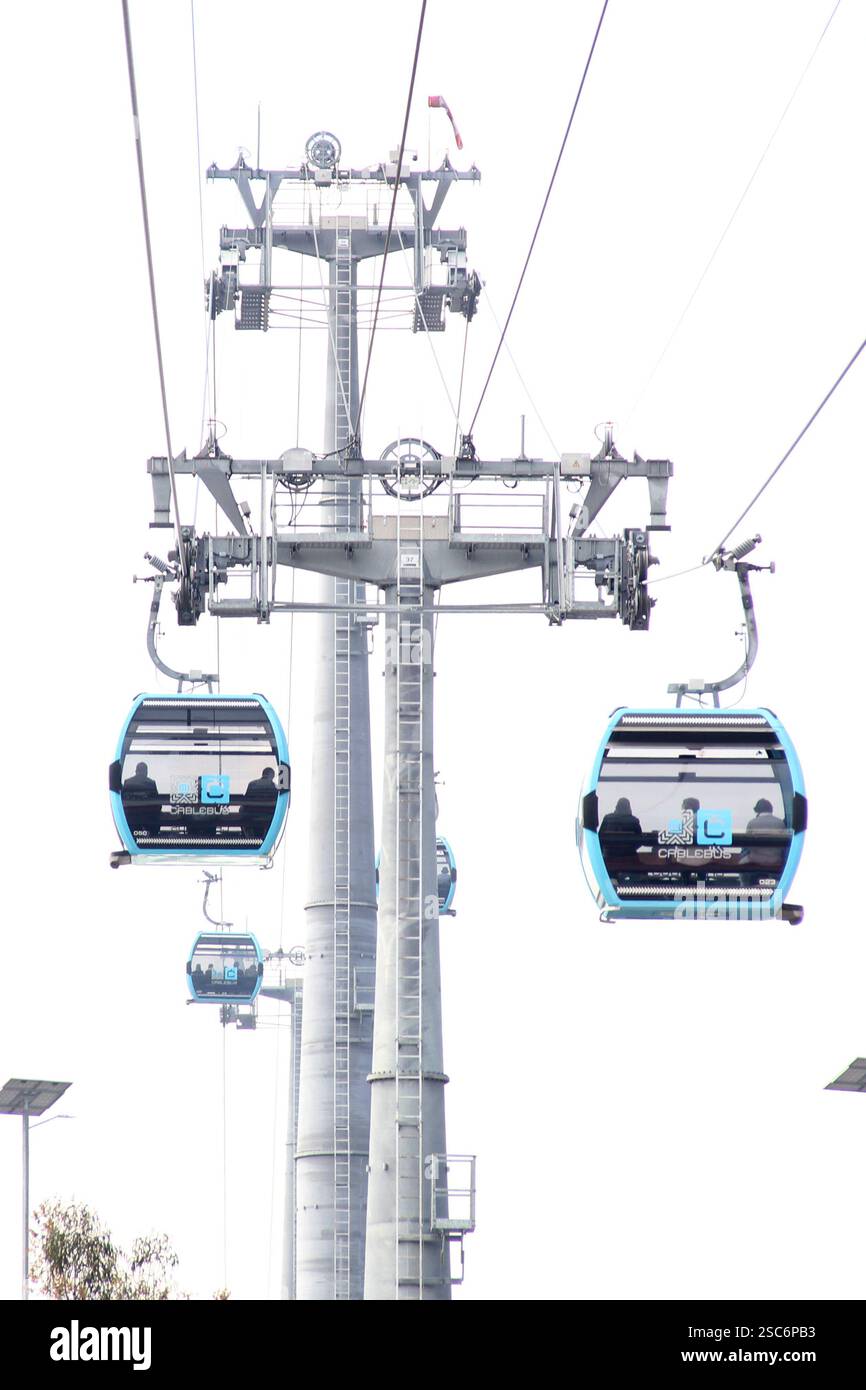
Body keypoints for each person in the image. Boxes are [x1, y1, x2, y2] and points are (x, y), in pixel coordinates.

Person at [741, 797, 787, 875]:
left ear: (757, 811)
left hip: (755, 860)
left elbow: (746, 845)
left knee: (741, 865)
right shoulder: (780, 823)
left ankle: (744, 885)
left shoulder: (752, 823)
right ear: (771, 809)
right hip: (776, 860)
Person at [121, 761, 161, 837]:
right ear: (146, 771)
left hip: (130, 818)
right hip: (148, 819)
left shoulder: (128, 782)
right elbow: (157, 802)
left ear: (136, 771)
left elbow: (122, 800)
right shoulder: (151, 783)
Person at [241, 766, 278, 839]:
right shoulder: (274, 786)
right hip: (268, 813)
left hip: (252, 813)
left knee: (241, 810)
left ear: (263, 774)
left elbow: (246, 800)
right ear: (272, 776)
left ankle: (248, 836)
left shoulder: (252, 783)